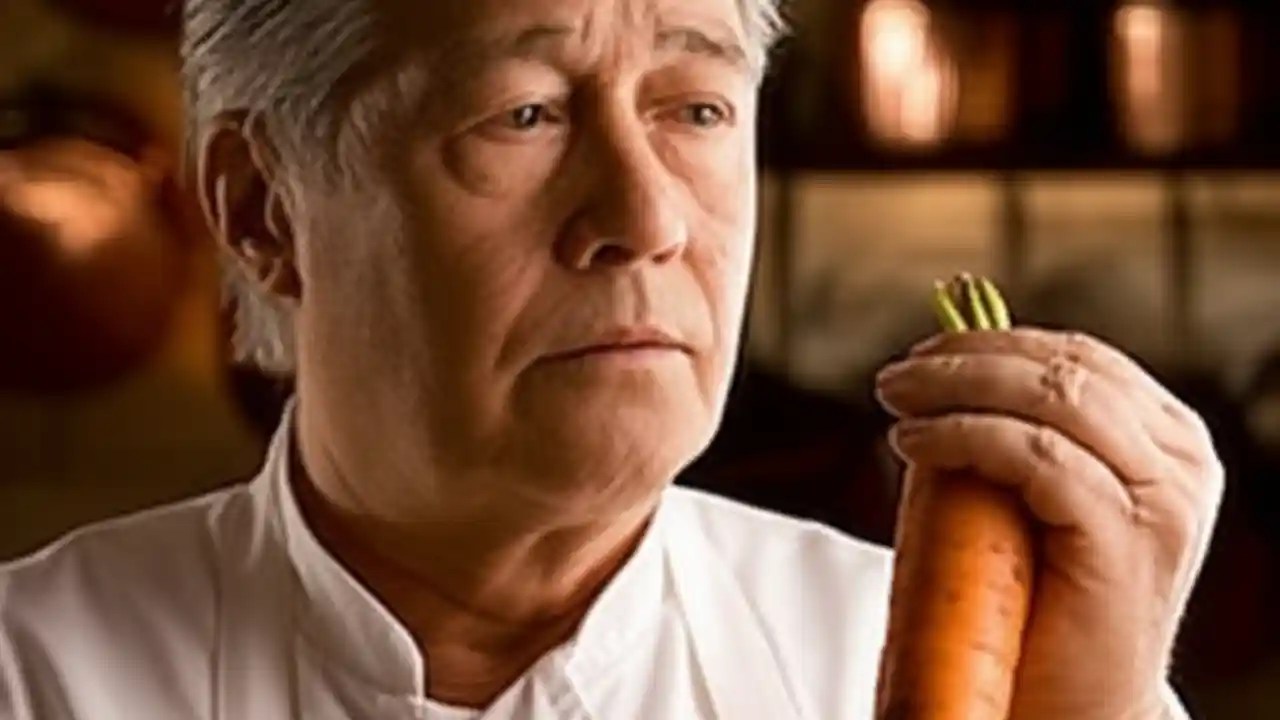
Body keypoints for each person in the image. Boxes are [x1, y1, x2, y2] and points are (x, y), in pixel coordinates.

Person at [0, 0, 1224, 717]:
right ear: (264, 208)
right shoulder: (35, 673)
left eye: (692, 110)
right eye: (523, 113)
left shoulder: (912, 669)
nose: (644, 219)